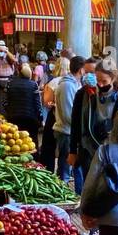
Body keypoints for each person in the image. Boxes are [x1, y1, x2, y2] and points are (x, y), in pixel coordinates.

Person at [68, 59, 118, 188]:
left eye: (104, 81)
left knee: (110, 190)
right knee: (89, 188)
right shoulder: (83, 94)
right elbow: (75, 124)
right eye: (97, 80)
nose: (100, 85)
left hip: (114, 155)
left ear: (113, 78)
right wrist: (72, 151)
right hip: (88, 152)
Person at [47, 56, 81, 184]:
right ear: (81, 70)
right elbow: (68, 113)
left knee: (65, 163)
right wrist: (78, 126)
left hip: (67, 129)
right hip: (66, 131)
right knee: (64, 165)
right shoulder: (67, 85)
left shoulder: (71, 84)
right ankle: (62, 189)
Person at [3, 63, 42, 144]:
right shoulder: (33, 85)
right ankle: (34, 156)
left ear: (19, 72)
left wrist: (9, 112)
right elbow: (37, 105)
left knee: (15, 143)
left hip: (13, 118)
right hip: (30, 119)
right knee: (31, 143)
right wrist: (40, 118)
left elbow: (5, 102)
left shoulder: (10, 84)